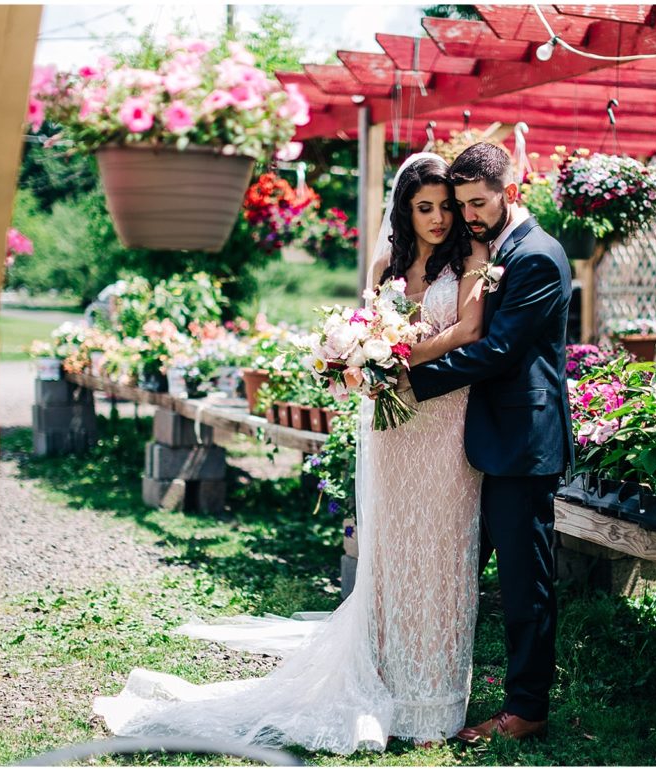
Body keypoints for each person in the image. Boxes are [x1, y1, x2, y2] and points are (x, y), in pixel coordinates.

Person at [92, 152, 491, 752]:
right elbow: (369, 329)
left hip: (444, 425)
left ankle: (433, 701)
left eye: (443, 207)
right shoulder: (387, 262)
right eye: (424, 207)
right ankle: (385, 682)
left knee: (441, 555)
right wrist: (366, 358)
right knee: (391, 556)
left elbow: (468, 332)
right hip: (392, 430)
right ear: (405, 212)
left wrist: (400, 358)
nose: (437, 219)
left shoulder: (472, 259)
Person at [403, 141, 573, 743]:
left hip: (523, 443)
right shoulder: (497, 248)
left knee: (526, 583)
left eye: (478, 202)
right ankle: (432, 683)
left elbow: (499, 351)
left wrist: (407, 380)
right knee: (461, 568)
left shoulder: (538, 258)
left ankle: (526, 710)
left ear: (511, 191)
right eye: (462, 203)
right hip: (486, 439)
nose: (468, 214)